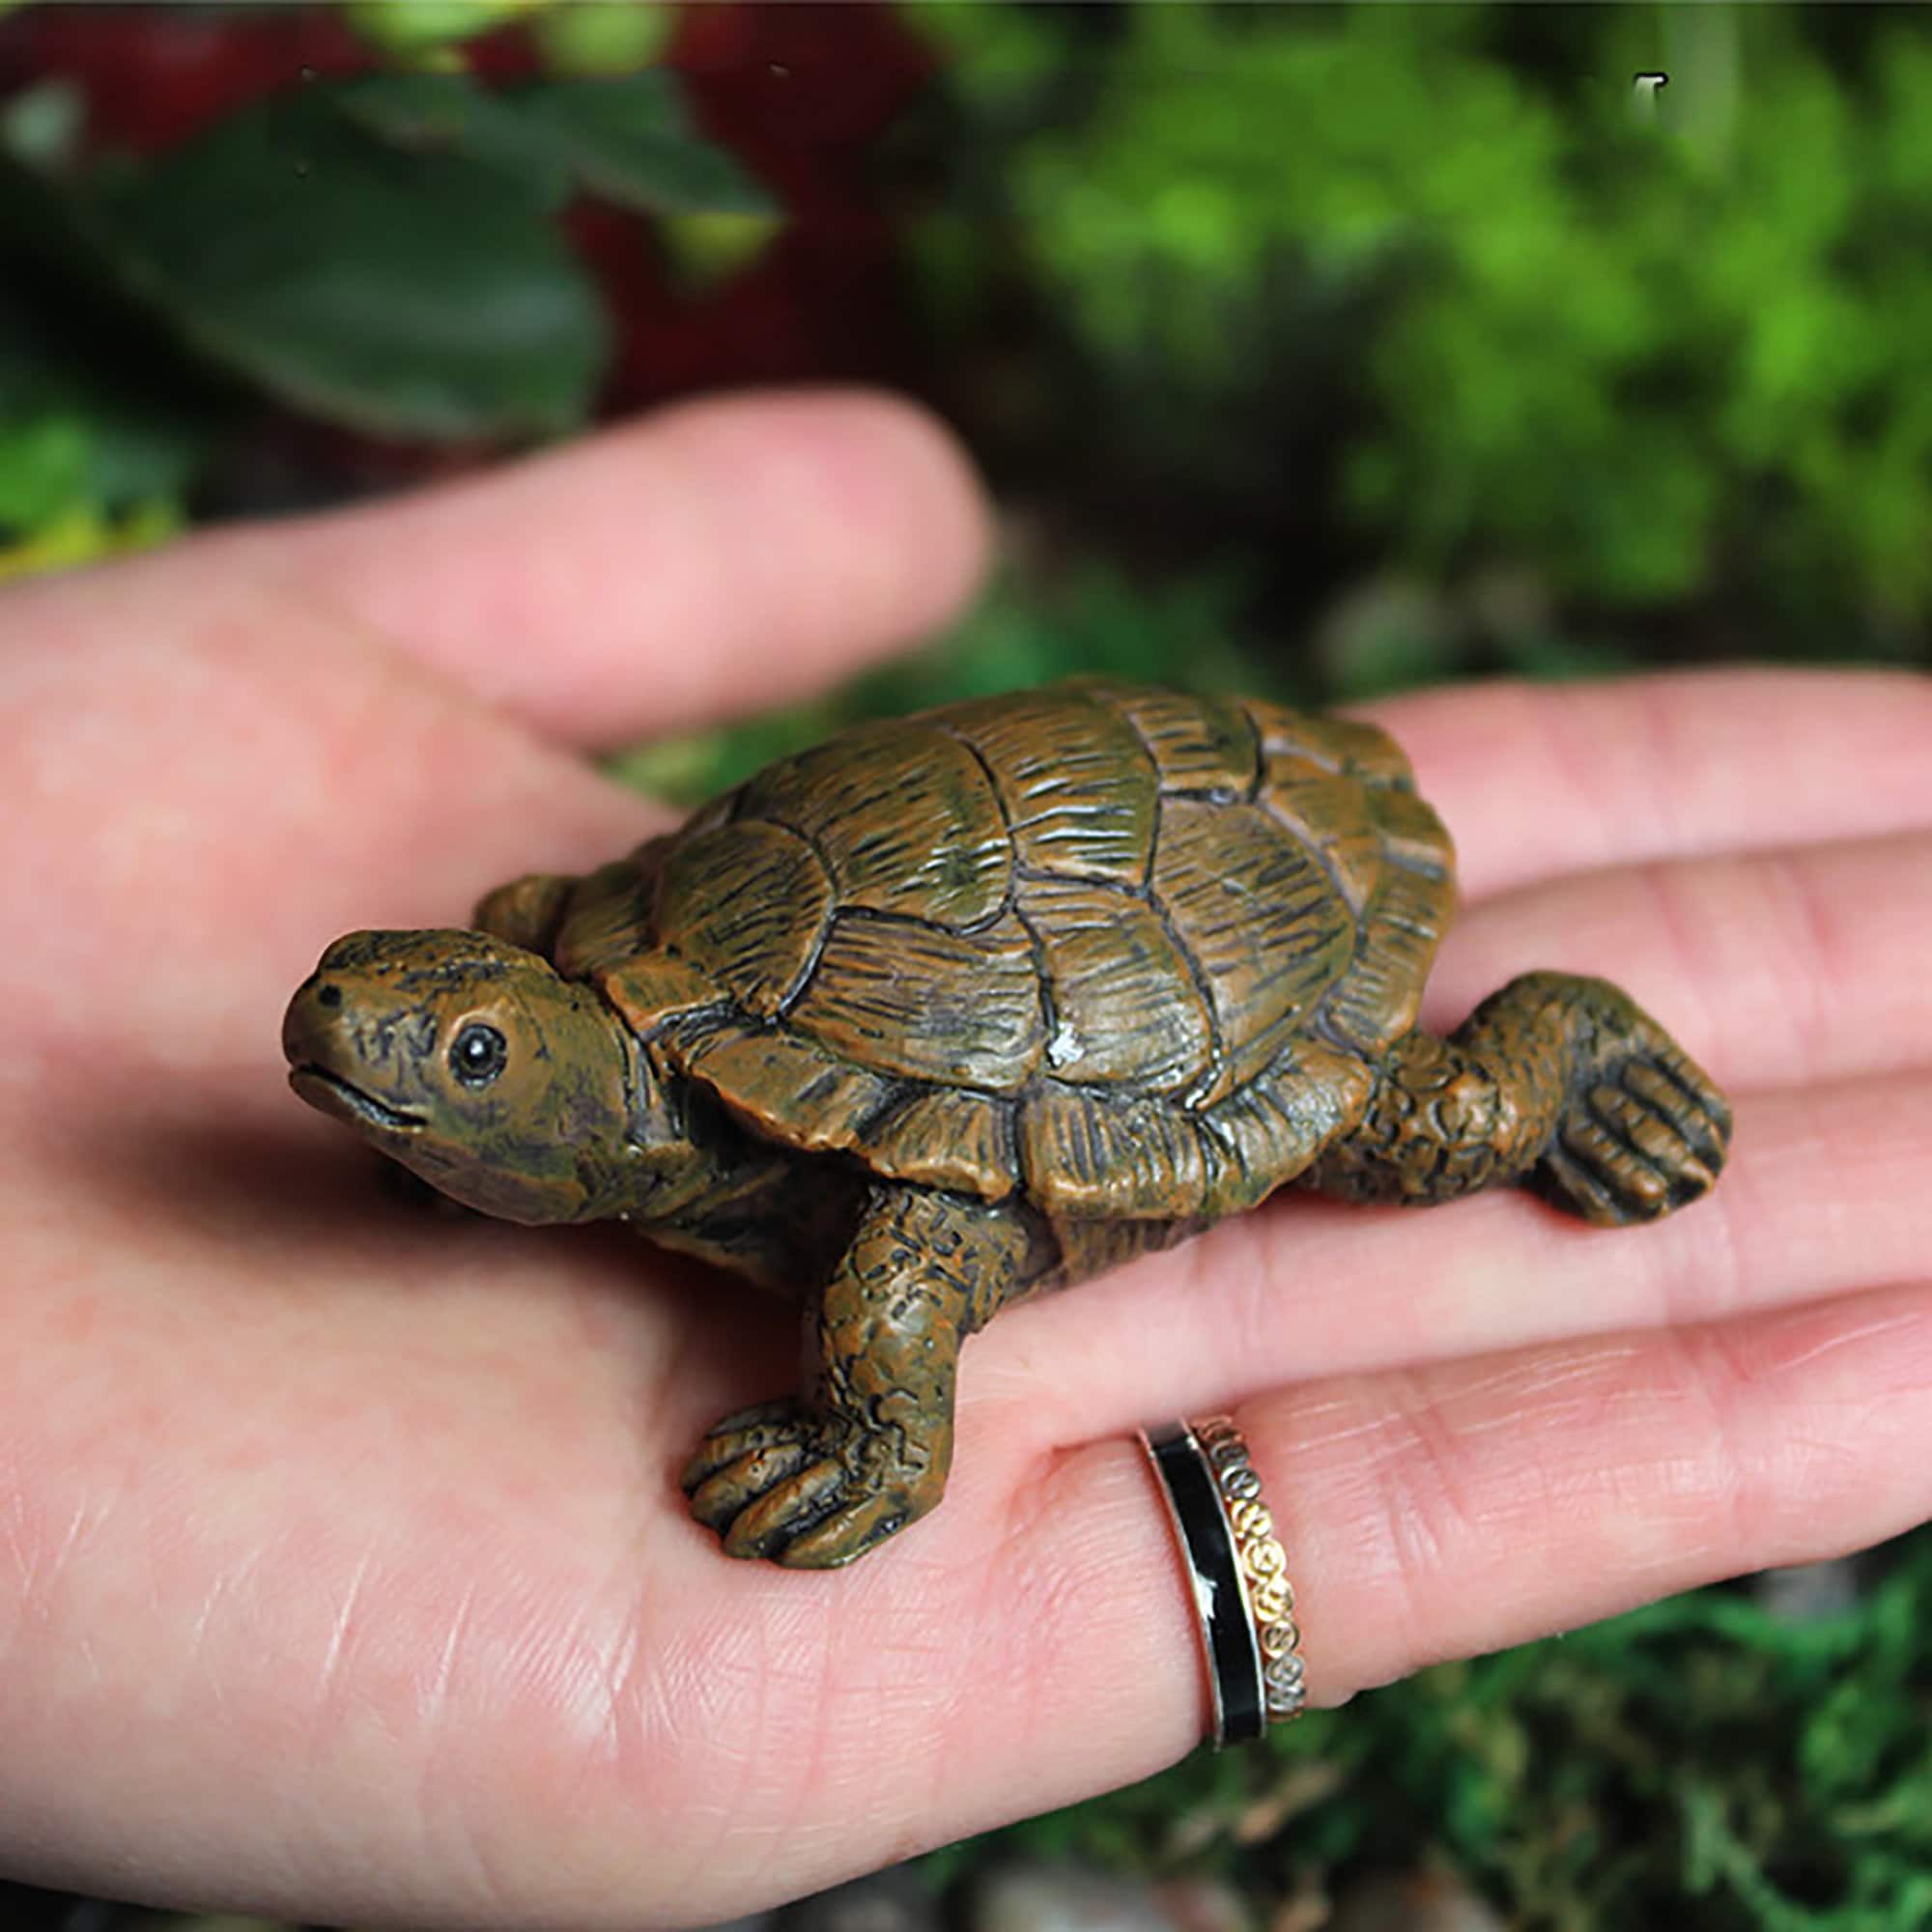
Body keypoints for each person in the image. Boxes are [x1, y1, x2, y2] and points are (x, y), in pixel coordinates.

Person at [0, 388, 1927, 1929]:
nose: (369, 1031)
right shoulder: (587, 993)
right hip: (912, 858)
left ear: (555, 1058)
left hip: (1211, 954)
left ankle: (1559, 1039)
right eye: (385, 1014)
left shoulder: (796, 1153)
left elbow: (918, 1229)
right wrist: (451, 1112)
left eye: (466, 1047)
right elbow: (535, 937)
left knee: (1431, 1134)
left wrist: (876, 1434)